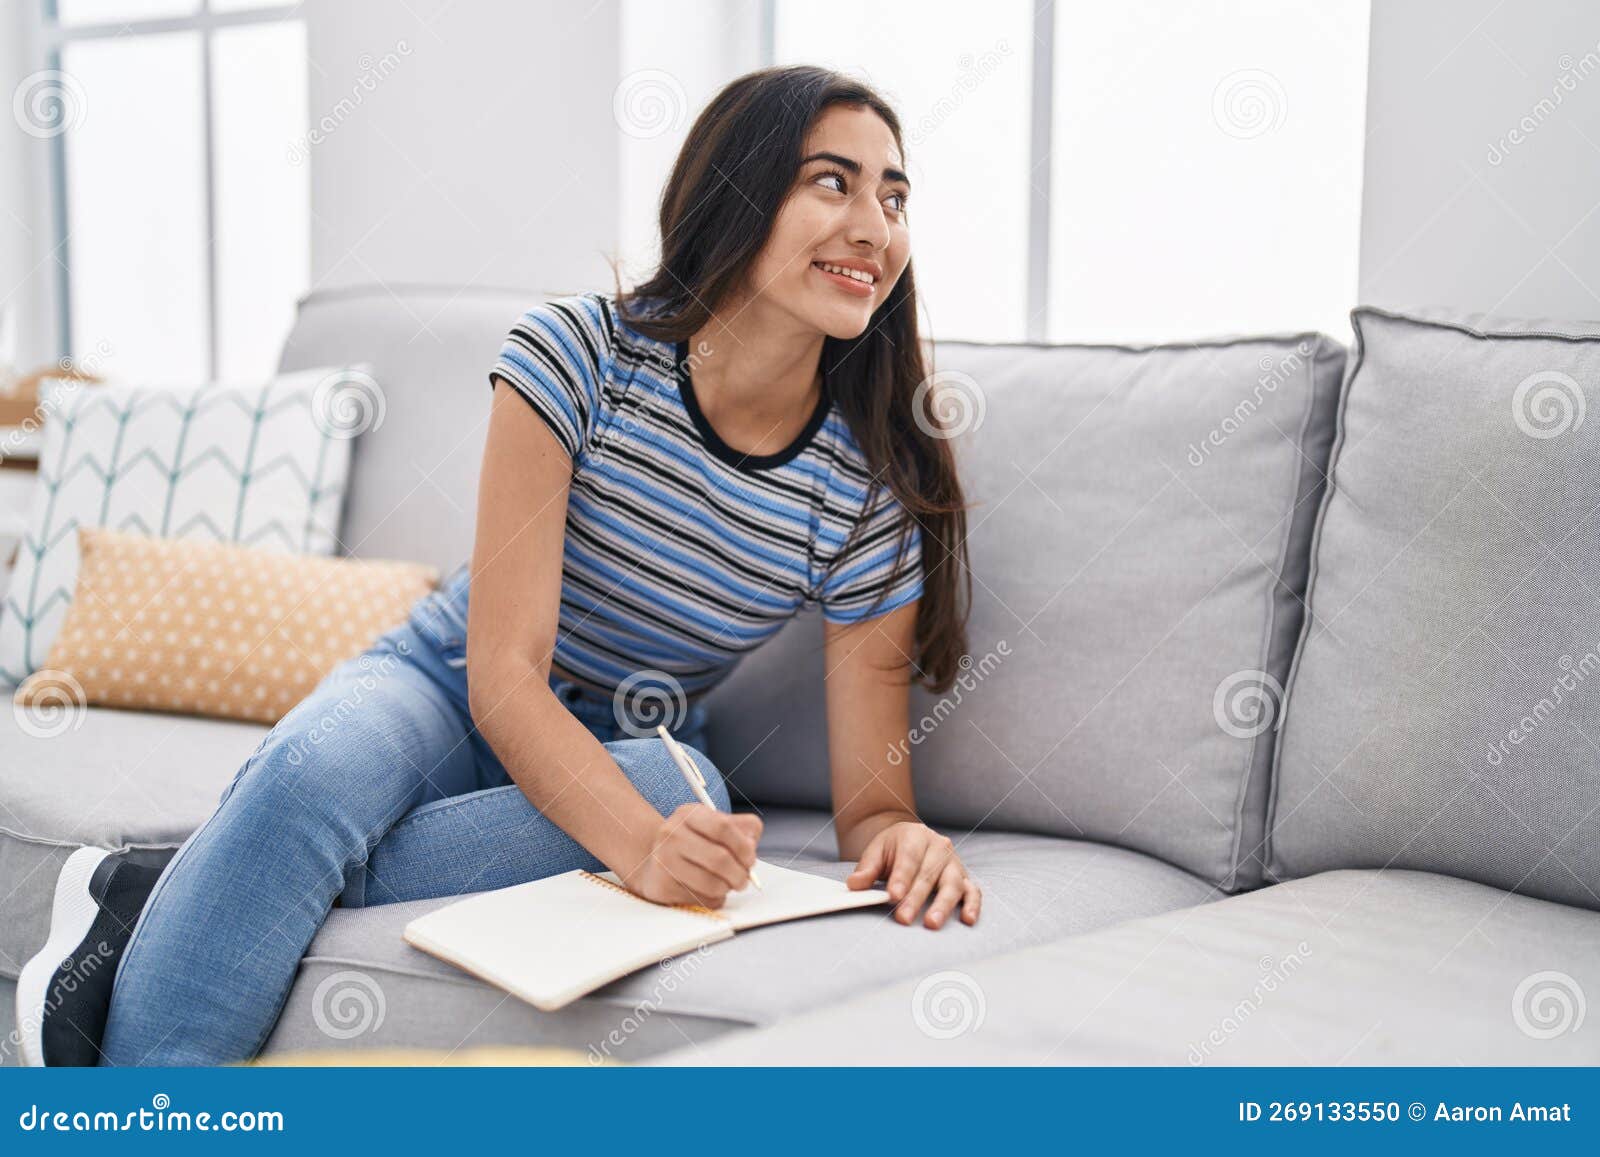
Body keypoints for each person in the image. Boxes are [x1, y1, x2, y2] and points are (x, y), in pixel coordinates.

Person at [18, 63, 979, 1068]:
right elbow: (504, 674)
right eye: (832, 181)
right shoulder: (579, 354)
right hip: (445, 684)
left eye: (894, 197)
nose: (875, 227)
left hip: (629, 733)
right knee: (309, 769)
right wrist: (639, 850)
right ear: (735, 191)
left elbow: (872, 802)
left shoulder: (867, 490)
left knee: (683, 786)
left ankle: (196, 879)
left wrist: (900, 836)